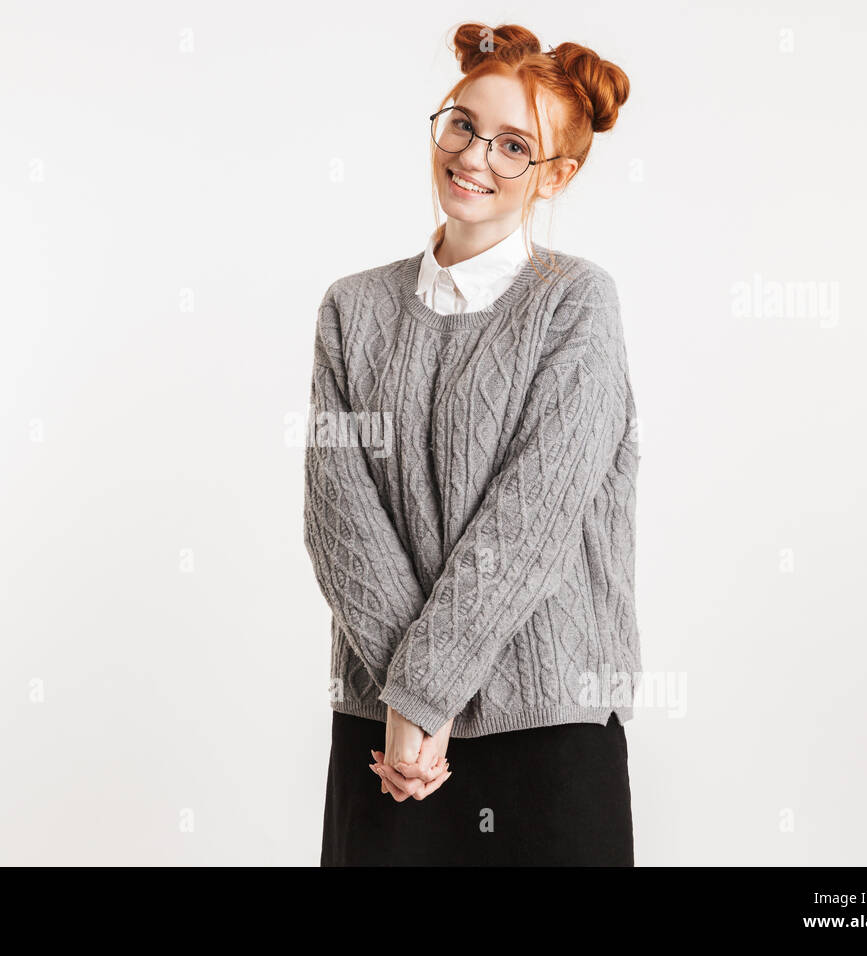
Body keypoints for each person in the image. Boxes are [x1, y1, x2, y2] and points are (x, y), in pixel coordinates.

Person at [303, 21, 641, 865]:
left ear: (556, 173)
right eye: (463, 124)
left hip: (547, 730)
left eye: (513, 146)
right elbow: (338, 518)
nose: (475, 157)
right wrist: (410, 709)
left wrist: (422, 695)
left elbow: (531, 522)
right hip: (388, 743)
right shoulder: (352, 309)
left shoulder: (577, 305)